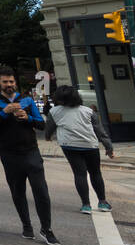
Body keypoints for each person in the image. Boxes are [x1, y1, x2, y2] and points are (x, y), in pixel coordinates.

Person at [0, 67, 58, 245]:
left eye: (11, 82)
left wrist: (27, 118)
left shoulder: (26, 100)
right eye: (5, 82)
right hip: (9, 154)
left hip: (31, 151)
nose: (9, 85)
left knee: (41, 191)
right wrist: (5, 112)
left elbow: (41, 124)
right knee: (18, 192)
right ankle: (27, 226)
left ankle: (46, 229)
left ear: (15, 82)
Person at [44, 85, 113, 213]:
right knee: (95, 173)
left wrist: (48, 137)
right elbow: (100, 131)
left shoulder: (54, 112)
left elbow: (49, 128)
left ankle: (86, 205)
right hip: (89, 145)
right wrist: (108, 146)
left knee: (79, 174)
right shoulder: (88, 111)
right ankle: (102, 202)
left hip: (69, 145)